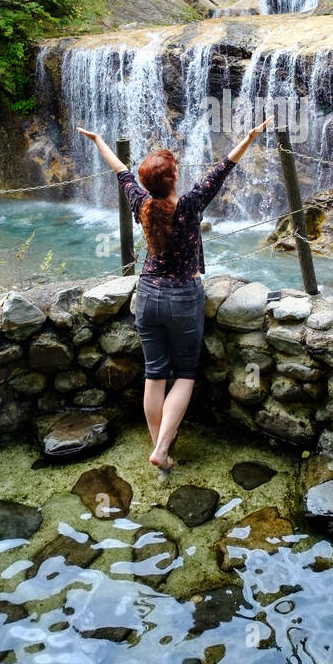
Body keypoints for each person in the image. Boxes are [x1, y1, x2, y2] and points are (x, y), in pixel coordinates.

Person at [76, 117, 274, 469]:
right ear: (173, 179)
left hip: (148, 295)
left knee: (154, 373)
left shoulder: (142, 205)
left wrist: (97, 140)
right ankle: (162, 448)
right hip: (183, 297)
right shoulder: (191, 205)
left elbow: (119, 169)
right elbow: (224, 167)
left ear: (146, 182)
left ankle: (160, 446)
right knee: (184, 374)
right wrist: (250, 137)